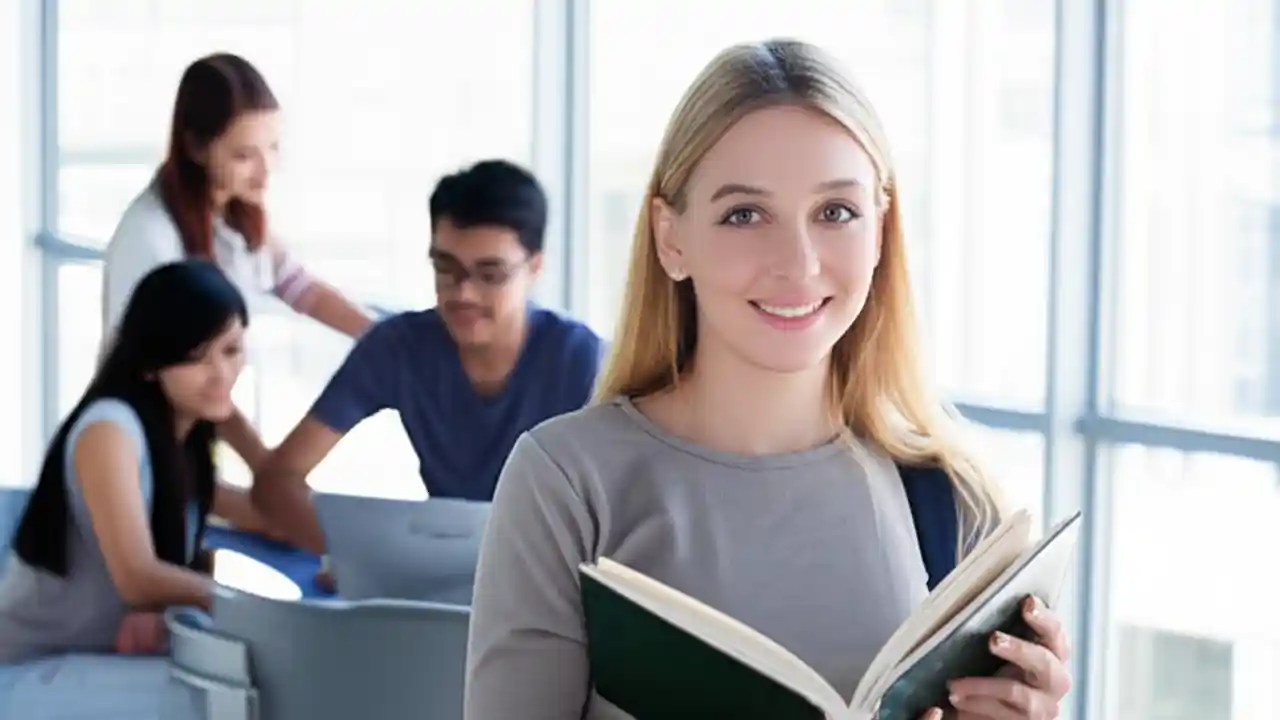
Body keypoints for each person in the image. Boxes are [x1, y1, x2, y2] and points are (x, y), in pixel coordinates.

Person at [464, 40, 1073, 720]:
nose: (798, 263)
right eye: (744, 215)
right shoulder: (567, 483)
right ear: (672, 238)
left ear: (880, 230)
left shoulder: (955, 502)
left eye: (836, 212)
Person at [250, 159, 604, 554]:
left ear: (535, 268)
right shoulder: (398, 347)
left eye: (490, 274)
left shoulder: (581, 361)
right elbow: (276, 482)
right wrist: (354, 559)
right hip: (441, 579)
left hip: (547, 581)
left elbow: (631, 509)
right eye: (446, 268)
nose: (463, 293)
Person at [101, 52, 374, 485]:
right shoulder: (151, 238)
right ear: (194, 147)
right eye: (245, 154)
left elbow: (301, 288)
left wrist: (380, 337)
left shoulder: (235, 213)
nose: (266, 171)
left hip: (194, 432)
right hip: (148, 438)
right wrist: (267, 469)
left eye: (273, 148)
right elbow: (190, 373)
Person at [0, 260, 259, 664]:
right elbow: (137, 579)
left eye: (231, 350)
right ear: (151, 364)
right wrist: (244, 604)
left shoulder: (182, 437)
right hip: (30, 666)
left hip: (97, 658)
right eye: (196, 357)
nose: (222, 373)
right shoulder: (110, 432)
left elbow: (254, 511)